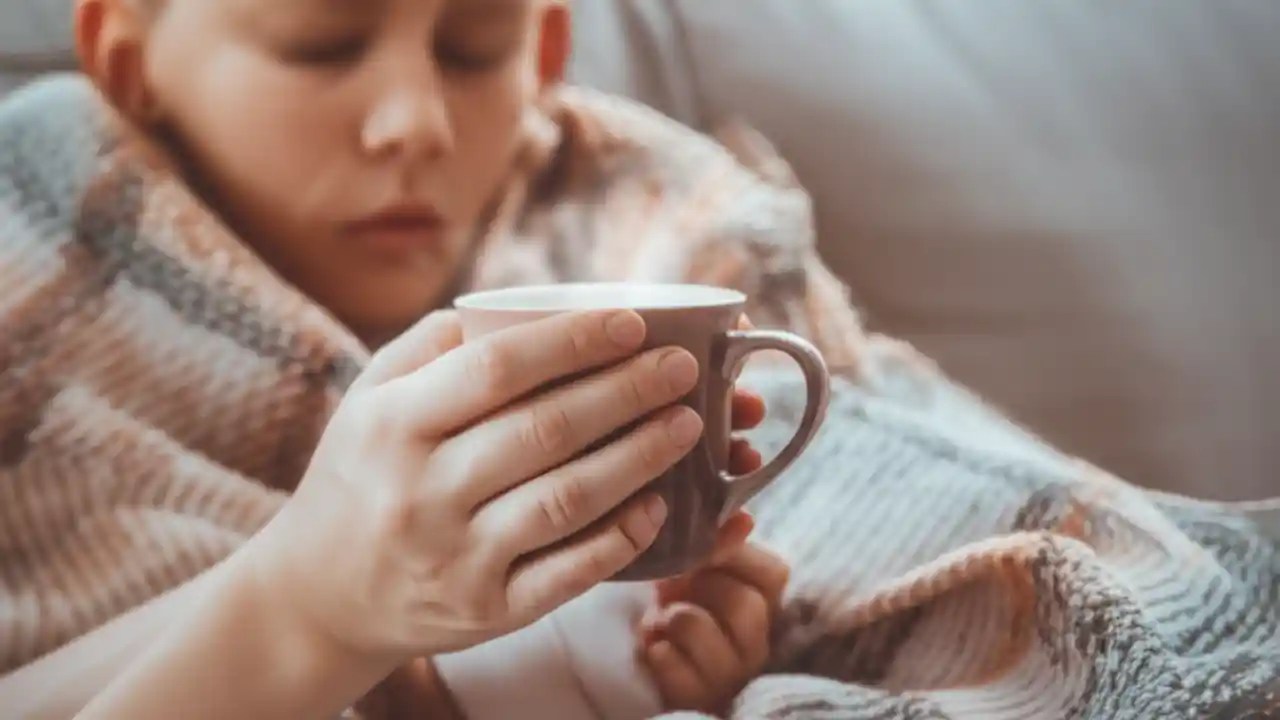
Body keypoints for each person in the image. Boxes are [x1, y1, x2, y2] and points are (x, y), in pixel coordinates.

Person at [0, 0, 864, 717]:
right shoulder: (33, 256)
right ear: (126, 62)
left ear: (545, 53)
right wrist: (311, 611)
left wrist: (652, 660)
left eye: (476, 49)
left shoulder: (675, 223)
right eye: (320, 46)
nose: (416, 124)